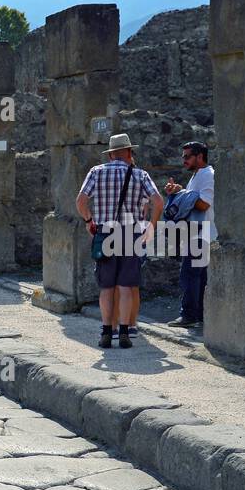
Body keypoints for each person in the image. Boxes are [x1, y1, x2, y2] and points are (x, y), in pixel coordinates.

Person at [76, 133, 163, 350]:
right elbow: (158, 201)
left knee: (107, 287)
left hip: (105, 233)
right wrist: (152, 224)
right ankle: (124, 332)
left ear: (112, 153)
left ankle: (107, 332)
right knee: (126, 286)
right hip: (131, 233)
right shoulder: (140, 175)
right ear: (128, 152)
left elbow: (81, 201)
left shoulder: (96, 172)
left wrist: (89, 220)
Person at [163, 141, 215, 328]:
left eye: (187, 156)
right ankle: (198, 315)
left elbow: (204, 204)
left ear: (199, 156)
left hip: (201, 232)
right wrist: (180, 192)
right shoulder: (197, 175)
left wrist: (184, 195)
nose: (183, 160)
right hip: (197, 232)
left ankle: (189, 316)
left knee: (189, 275)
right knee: (198, 276)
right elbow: (193, 200)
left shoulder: (207, 175)